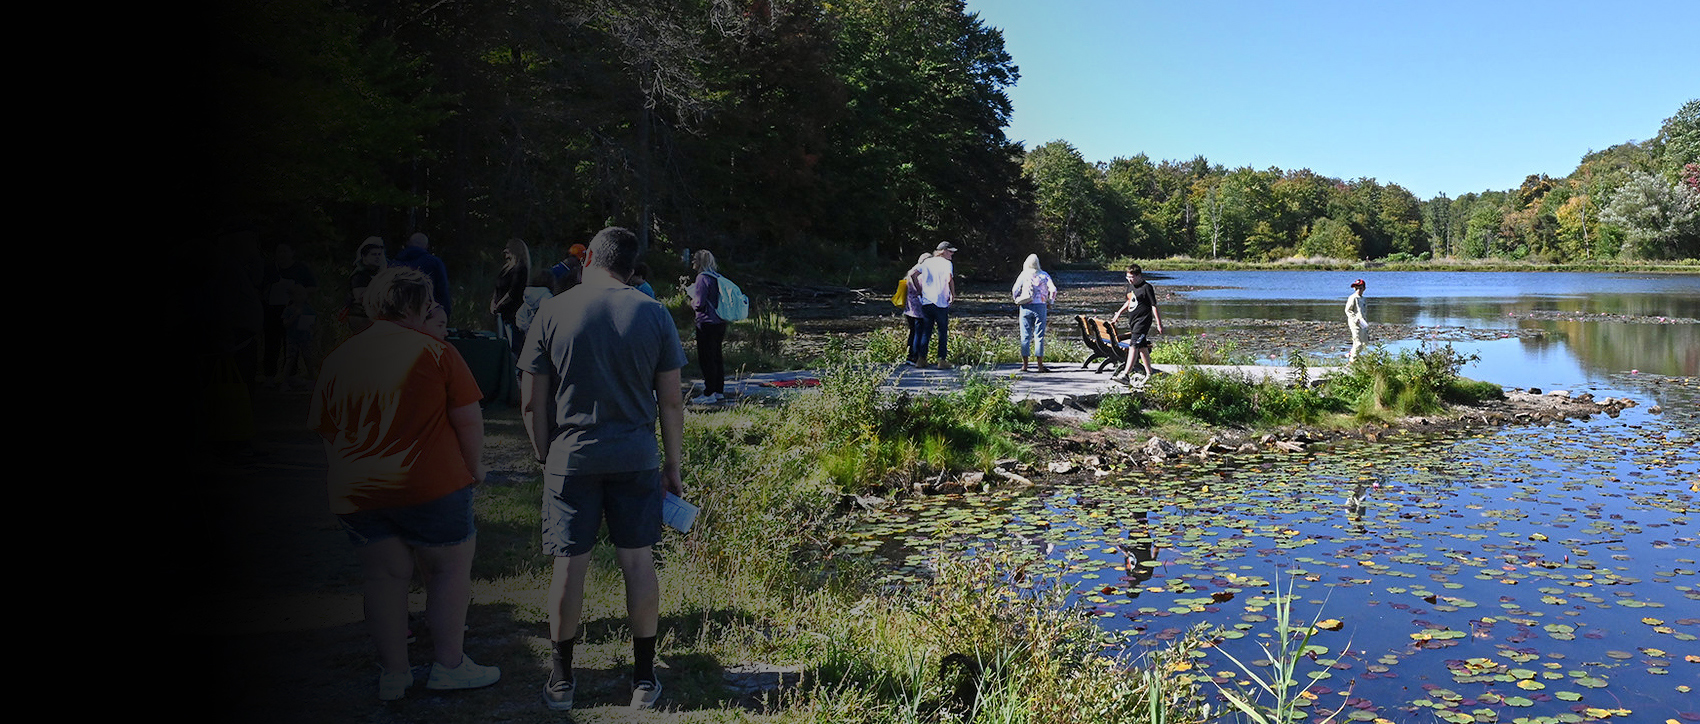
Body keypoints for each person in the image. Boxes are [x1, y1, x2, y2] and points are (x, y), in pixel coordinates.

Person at [309, 266, 500, 701]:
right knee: (450, 569)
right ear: (416, 304)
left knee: (382, 579)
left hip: (358, 491)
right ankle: (449, 665)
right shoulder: (436, 352)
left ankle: (393, 674)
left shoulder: (340, 357)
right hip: (431, 485)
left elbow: (326, 430)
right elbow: (468, 419)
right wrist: (476, 468)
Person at [518, 227, 686, 712]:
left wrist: (544, 454)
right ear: (632, 270)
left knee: (569, 565)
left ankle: (561, 680)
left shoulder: (552, 310)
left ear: (588, 257)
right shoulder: (653, 313)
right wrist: (672, 464)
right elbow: (671, 400)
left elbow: (532, 401)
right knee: (638, 561)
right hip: (635, 457)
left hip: (572, 457)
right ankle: (643, 678)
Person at [262, 243, 318, 386]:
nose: (281, 254)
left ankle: (291, 375)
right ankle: (269, 375)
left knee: (294, 342)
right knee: (272, 342)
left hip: (295, 310)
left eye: (284, 251)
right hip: (273, 311)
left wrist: (298, 293)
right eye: (278, 251)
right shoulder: (270, 269)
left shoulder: (300, 269)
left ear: (292, 252)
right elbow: (262, 288)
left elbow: (313, 287)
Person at [1109, 264, 1164, 380]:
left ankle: (1125, 374)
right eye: (1127, 277)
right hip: (1133, 322)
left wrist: (1159, 323)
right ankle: (1149, 373)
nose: (1129, 280)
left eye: (1131, 277)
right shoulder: (1130, 286)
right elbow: (1129, 302)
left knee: (1133, 345)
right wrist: (1118, 313)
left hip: (1143, 322)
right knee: (1142, 346)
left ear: (1139, 276)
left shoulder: (1147, 287)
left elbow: (1154, 306)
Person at [688, 249, 728, 403]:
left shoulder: (702, 278)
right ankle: (719, 390)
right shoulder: (716, 277)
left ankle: (708, 392)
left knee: (706, 358)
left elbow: (699, 304)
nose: (693, 262)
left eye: (695, 259)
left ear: (700, 262)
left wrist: (691, 301)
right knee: (717, 356)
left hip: (705, 322)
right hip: (720, 322)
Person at [909, 242, 957, 369]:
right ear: (943, 251)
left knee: (926, 332)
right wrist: (953, 294)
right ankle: (941, 360)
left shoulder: (927, 262)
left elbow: (913, 274)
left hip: (927, 301)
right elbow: (949, 279)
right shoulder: (947, 263)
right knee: (942, 332)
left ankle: (921, 359)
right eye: (950, 251)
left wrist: (919, 290)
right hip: (940, 302)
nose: (952, 254)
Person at [1011, 253, 1058, 372]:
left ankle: (1025, 365)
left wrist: (1017, 299)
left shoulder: (1024, 275)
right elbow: (1053, 290)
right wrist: (1050, 302)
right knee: (1039, 336)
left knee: (1025, 336)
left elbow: (1015, 289)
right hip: (1041, 306)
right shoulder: (1044, 275)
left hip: (1025, 306)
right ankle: (1040, 365)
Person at [489, 238, 531, 359]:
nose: (506, 252)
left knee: (513, 346)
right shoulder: (506, 267)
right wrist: (493, 302)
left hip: (512, 313)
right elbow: (498, 286)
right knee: (502, 343)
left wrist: (500, 304)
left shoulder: (521, 268)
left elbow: (514, 291)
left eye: (509, 249)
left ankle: (515, 373)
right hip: (501, 313)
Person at [395, 232, 452, 313]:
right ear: (426, 246)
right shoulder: (434, 263)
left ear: (408, 243)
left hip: (400, 311)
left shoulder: (396, 263)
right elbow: (442, 291)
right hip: (426, 311)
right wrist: (445, 313)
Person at [280, 283, 317, 390]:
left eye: (303, 294)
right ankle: (284, 382)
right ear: (292, 296)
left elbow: (314, 322)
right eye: (298, 294)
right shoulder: (288, 310)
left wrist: (312, 330)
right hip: (293, 338)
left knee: (308, 359)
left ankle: (312, 381)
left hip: (306, 338)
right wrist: (295, 316)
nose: (301, 297)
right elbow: (285, 324)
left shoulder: (308, 309)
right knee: (290, 360)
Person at [345, 237, 386, 333]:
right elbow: (360, 297)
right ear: (364, 256)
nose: (377, 257)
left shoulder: (377, 273)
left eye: (379, 254)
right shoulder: (360, 275)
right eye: (373, 254)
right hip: (360, 315)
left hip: (373, 315)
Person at [901, 252, 931, 366]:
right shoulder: (922, 275)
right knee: (919, 333)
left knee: (912, 332)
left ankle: (909, 356)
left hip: (909, 309)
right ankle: (915, 356)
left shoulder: (910, 273)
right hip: (919, 310)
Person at [1345, 278, 1368, 362]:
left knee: (1364, 342)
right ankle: (1352, 361)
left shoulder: (1363, 299)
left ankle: (1352, 354)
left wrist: (1365, 322)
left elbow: (1363, 311)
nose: (1358, 290)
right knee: (1358, 342)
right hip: (1355, 323)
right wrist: (1355, 319)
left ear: (1364, 288)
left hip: (1362, 323)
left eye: (1360, 288)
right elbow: (1348, 310)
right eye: (1356, 288)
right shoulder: (1353, 298)